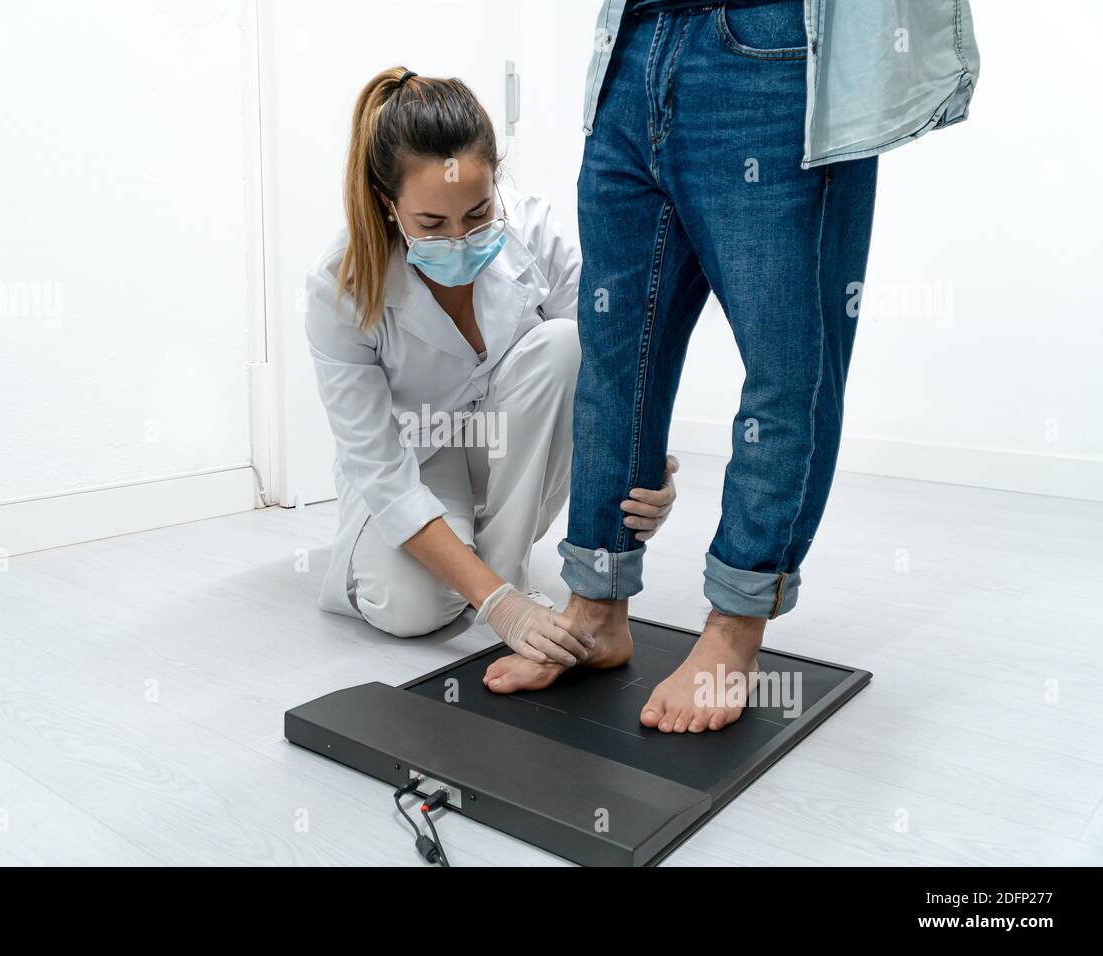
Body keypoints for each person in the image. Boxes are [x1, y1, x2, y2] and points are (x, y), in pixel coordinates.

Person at [482, 0, 981, 734]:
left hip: (772, 40)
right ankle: (597, 601)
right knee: (615, 356)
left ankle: (733, 629)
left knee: (785, 362)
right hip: (635, 39)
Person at [305, 66, 679, 653]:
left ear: (495, 182)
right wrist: (500, 608)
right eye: (431, 223)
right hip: (416, 459)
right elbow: (379, 468)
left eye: (477, 215)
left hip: (509, 450)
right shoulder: (340, 287)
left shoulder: (532, 224)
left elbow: (613, 365)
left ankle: (503, 569)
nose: (459, 238)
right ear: (387, 203)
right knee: (413, 607)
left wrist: (646, 466)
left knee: (569, 346)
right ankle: (489, 583)